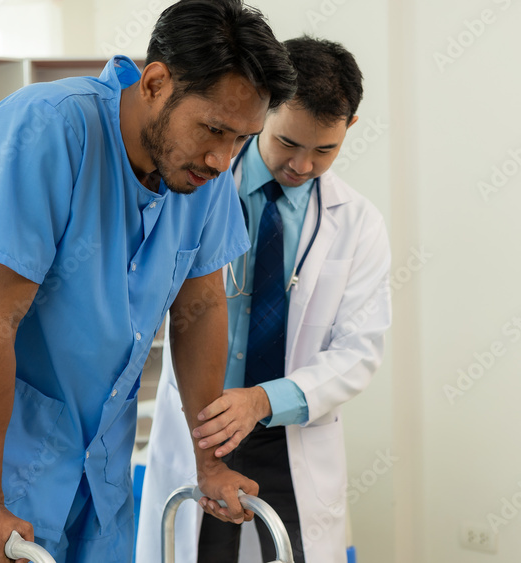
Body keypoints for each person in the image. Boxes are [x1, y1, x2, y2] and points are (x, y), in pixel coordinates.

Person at [0, 1, 297, 561]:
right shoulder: (46, 129)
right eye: (214, 129)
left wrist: (210, 463)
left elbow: (200, 308)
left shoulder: (205, 173)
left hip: (98, 476)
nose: (225, 158)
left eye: (243, 139)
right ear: (155, 82)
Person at [135, 36, 391, 563]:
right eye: (288, 143)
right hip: (201, 430)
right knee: (197, 552)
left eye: (325, 150)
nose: (301, 165)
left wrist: (263, 400)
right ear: (262, 113)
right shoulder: (196, 187)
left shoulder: (359, 222)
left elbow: (359, 351)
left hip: (290, 431)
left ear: (350, 130)